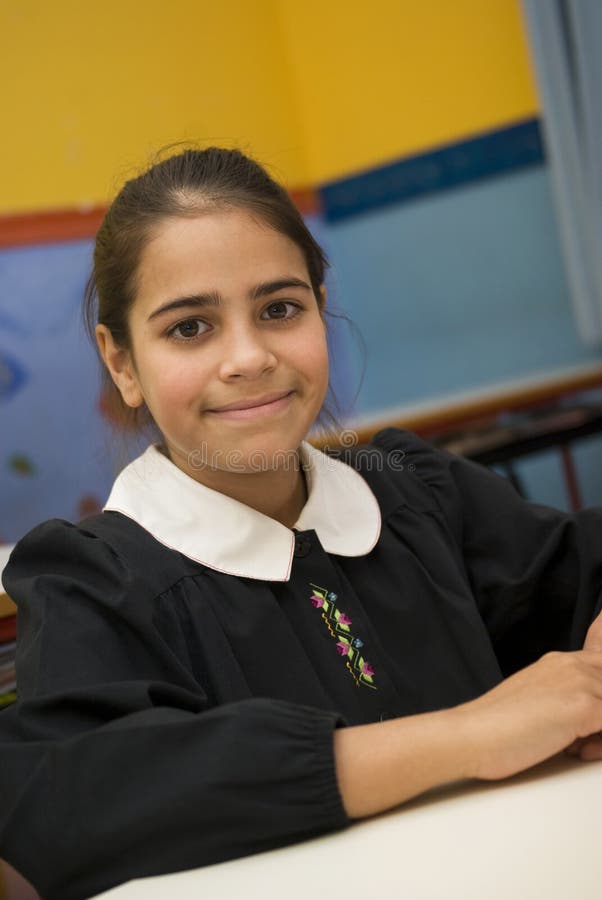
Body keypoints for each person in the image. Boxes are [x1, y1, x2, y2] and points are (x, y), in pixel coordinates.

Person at [2, 146, 602, 900]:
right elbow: (72, 801)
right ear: (121, 363)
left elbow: (583, 565)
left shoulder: (418, 495)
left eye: (280, 309)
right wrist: (468, 736)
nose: (249, 357)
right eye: (190, 328)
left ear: (322, 308)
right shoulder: (91, 580)